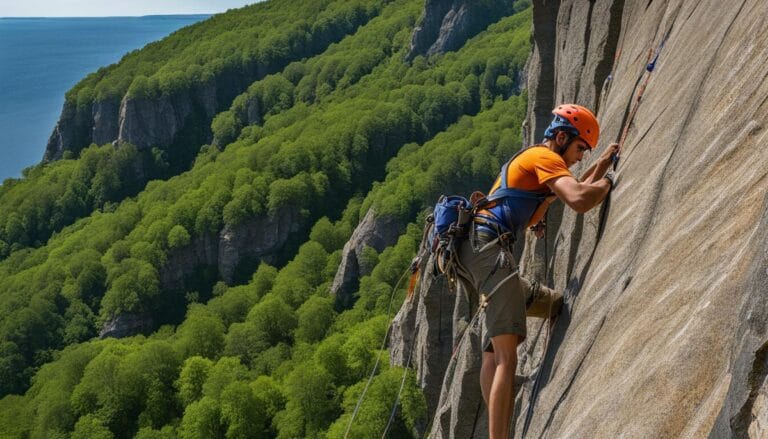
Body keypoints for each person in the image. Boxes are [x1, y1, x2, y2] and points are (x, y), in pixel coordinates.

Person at [454, 104, 619, 439]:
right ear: (562, 138)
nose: (580, 158)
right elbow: (578, 199)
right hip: (489, 252)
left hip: (474, 252)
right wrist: (608, 183)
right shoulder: (545, 158)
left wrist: (601, 165)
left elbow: (568, 189)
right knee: (506, 357)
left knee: (541, 313)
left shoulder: (536, 160)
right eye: (580, 149)